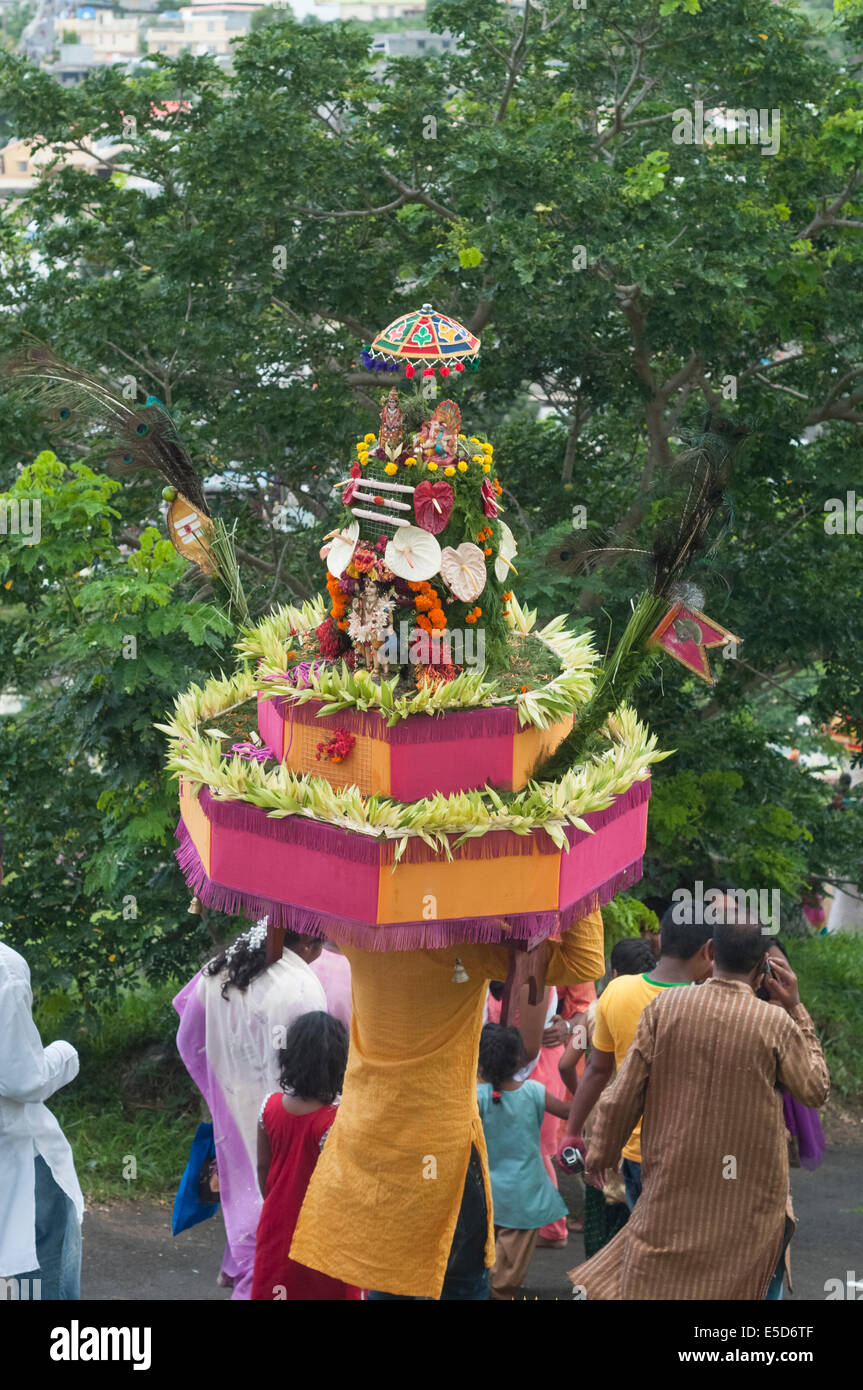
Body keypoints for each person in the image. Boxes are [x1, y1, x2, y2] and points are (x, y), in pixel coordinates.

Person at [290, 911, 605, 1299]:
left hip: (369, 1141)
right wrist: (579, 881)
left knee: (387, 1280)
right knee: (458, 1281)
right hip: (443, 1150)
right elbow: (582, 962)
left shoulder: (353, 924)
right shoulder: (469, 942)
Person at [567, 918, 830, 1300]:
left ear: (710, 952)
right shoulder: (775, 1023)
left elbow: (623, 1093)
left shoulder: (665, 1009)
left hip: (672, 1187)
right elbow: (815, 1089)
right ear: (763, 966)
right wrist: (797, 1009)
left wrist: (601, 1154)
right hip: (752, 1199)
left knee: (660, 1282)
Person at [173, 919, 326, 1300]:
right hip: (285, 1114)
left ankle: (244, 1273)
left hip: (234, 1107)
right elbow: (312, 1065)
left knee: (247, 1205)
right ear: (306, 941)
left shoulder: (218, 971)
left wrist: (220, 1085)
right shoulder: (301, 985)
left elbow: (189, 1035)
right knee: (274, 1215)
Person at [558, 904, 716, 1210]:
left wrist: (573, 1130)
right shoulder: (707, 1004)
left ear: (660, 940)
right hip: (686, 1154)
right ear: (709, 950)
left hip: (629, 1148)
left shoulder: (612, 995)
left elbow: (591, 1069)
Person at [558, 936, 656, 1258]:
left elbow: (566, 1063)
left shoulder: (598, 1010)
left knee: (601, 1197)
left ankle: (597, 1278)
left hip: (602, 1120)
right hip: (647, 1127)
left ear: (613, 973)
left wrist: (582, 1099)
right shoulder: (663, 1006)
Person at [252, 1012, 361, 1300]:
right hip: (323, 1235)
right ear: (339, 1064)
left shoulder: (269, 1107)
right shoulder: (336, 1121)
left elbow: (263, 1166)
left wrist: (276, 1200)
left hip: (276, 1223)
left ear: (290, 1057)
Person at [0, 938, 84, 1299]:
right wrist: (65, 1054)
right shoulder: (5, 968)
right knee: (34, 1279)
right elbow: (22, 1079)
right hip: (15, 1160)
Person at [477, 1022, 571, 1298]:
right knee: (508, 1272)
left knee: (483, 1256)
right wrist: (584, 1081)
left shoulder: (475, 1097)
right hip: (524, 1197)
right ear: (520, 1057)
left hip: (485, 1194)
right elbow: (570, 1111)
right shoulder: (533, 1092)